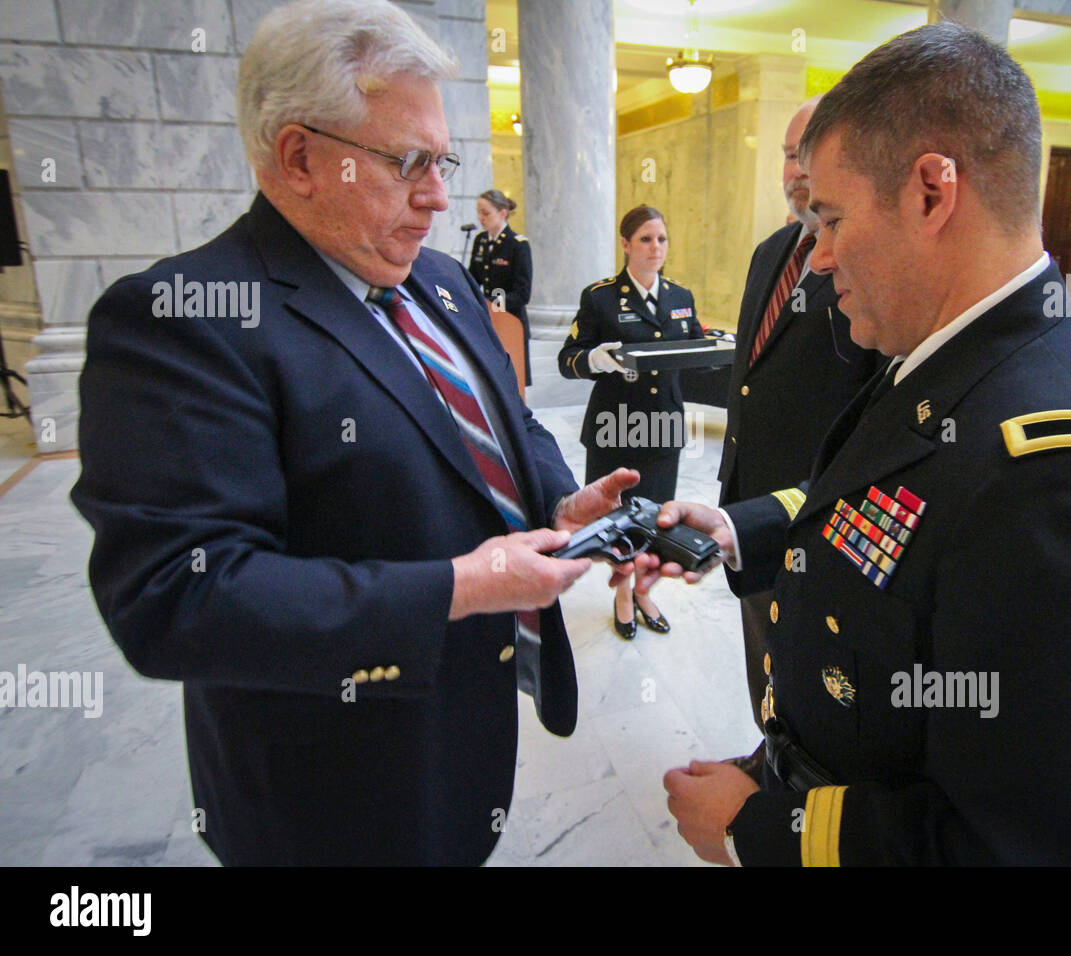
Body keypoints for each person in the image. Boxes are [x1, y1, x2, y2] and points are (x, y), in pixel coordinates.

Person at [69, 0, 639, 866]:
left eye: (442, 160)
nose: (441, 196)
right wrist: (460, 586)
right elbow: (178, 600)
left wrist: (557, 494)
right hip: (329, 786)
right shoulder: (185, 318)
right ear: (299, 157)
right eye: (408, 162)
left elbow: (505, 420)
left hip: (462, 736)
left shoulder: (441, 280)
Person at [644, 22, 1071, 865]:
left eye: (833, 218)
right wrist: (746, 530)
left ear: (930, 193)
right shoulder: (948, 351)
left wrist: (759, 829)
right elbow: (886, 506)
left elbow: (1015, 847)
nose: (822, 257)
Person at [720, 96, 885, 738]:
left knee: (815, 678)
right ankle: (770, 758)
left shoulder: (859, 257)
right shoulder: (771, 251)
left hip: (819, 515)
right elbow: (752, 379)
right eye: (790, 154)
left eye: (810, 154)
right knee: (762, 657)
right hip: (748, 509)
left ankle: (797, 786)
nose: (797, 169)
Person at [557, 206, 704, 639]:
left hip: (663, 427)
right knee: (618, 519)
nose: (655, 248)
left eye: (662, 239)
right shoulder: (600, 297)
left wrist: (717, 347)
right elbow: (568, 360)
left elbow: (694, 349)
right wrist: (595, 360)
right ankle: (623, 595)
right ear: (625, 243)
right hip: (615, 428)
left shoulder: (681, 297)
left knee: (656, 517)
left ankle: (643, 591)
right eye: (645, 239)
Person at [469, 188, 533, 384]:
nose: (481, 218)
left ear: (502, 213)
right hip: (488, 322)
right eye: (479, 212)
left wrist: (491, 304)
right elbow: (473, 279)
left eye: (486, 213)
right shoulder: (481, 241)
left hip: (510, 321)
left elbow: (522, 293)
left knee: (514, 380)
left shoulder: (517, 244)